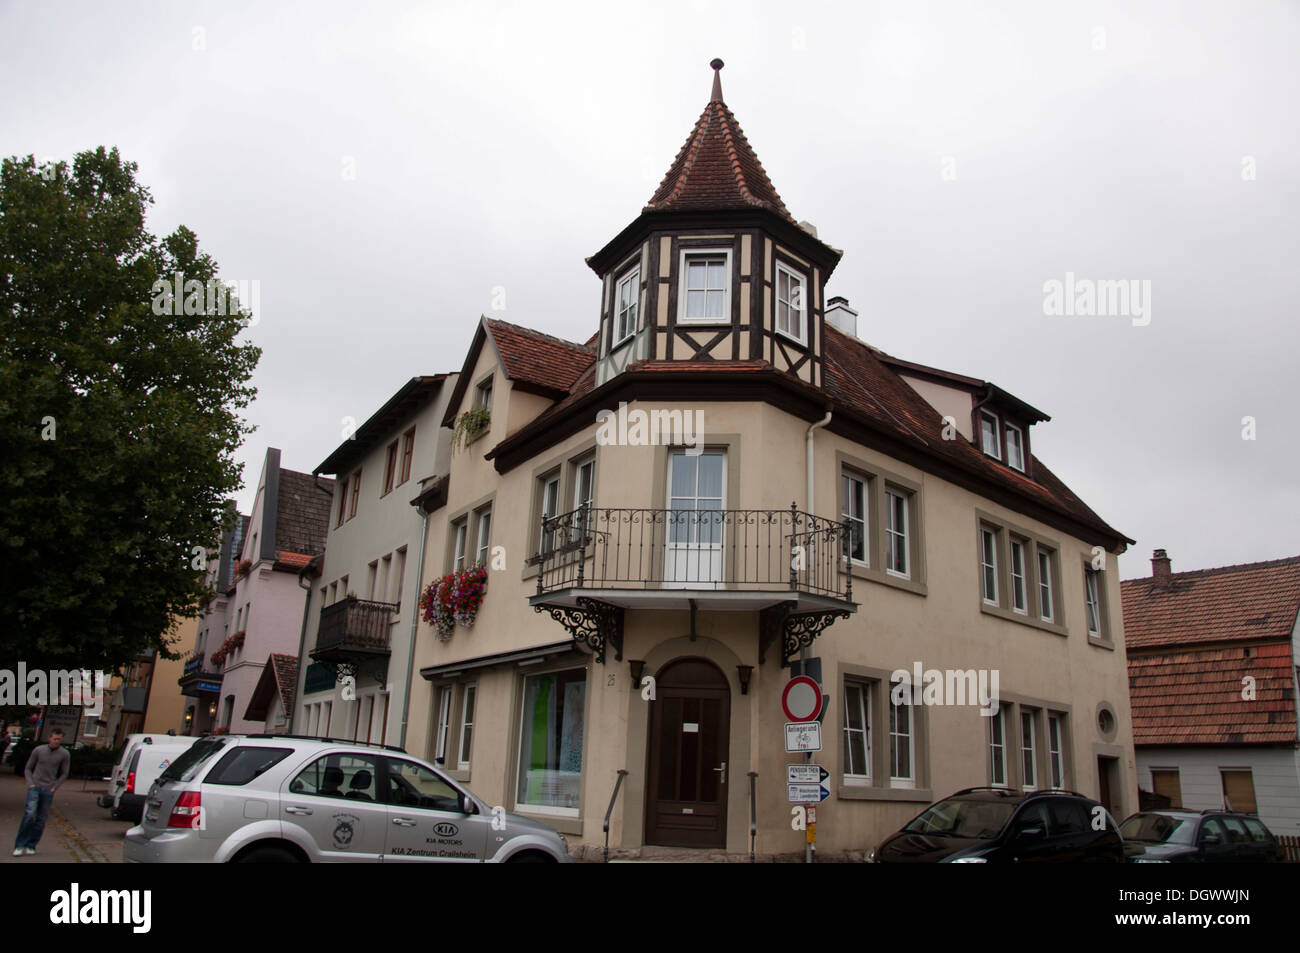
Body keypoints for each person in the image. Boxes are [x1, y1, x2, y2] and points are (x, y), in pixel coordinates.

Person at [13, 728, 70, 856]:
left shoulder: (64, 754)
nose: (56, 741)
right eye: (55, 739)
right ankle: (19, 845)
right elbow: (28, 768)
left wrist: (55, 787)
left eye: (59, 739)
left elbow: (64, 773)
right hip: (35, 786)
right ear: (49, 738)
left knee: (41, 819)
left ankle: (31, 844)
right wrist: (30, 783)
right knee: (30, 814)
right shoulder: (39, 750)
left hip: (48, 788)